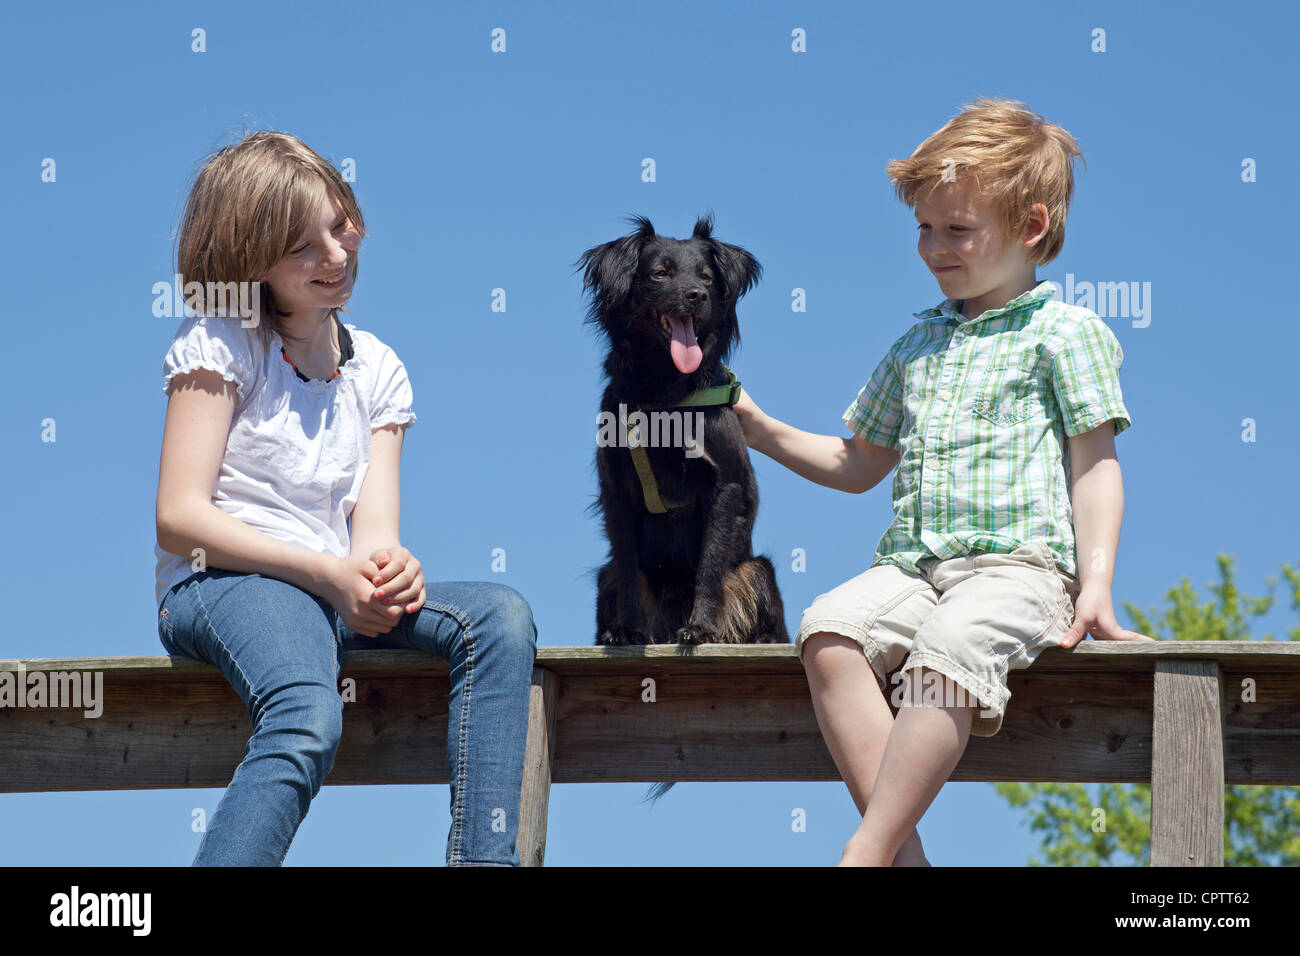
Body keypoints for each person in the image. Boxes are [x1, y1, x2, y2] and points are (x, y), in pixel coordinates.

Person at [732, 99, 1153, 866]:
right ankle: (905, 856)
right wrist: (759, 430)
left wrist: (1095, 584)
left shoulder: (1066, 333)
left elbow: (1094, 467)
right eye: (924, 228)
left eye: (957, 230)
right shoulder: (917, 343)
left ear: (1030, 227)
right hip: (914, 569)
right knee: (829, 631)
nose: (933, 247)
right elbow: (858, 463)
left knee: (947, 652)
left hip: (1017, 571)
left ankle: (866, 852)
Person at [154, 131, 537, 866]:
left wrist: (387, 573)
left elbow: (373, 536)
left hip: (327, 586)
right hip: (225, 581)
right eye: (304, 246)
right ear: (248, 261)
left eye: (341, 225)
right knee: (305, 713)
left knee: (500, 618)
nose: (336, 254)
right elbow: (180, 518)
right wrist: (325, 573)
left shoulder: (378, 370)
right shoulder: (223, 342)